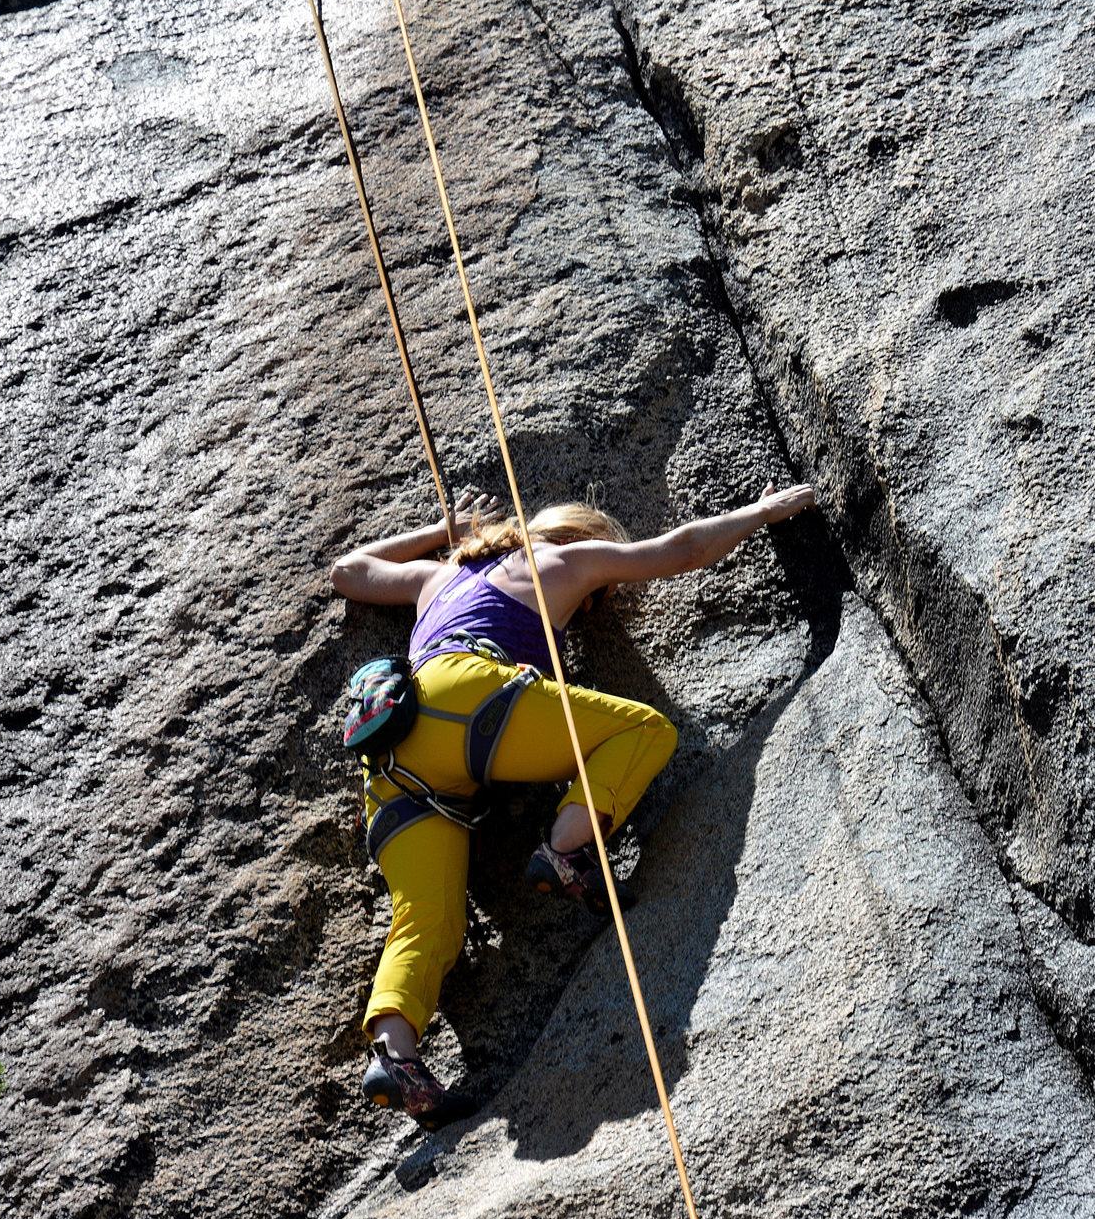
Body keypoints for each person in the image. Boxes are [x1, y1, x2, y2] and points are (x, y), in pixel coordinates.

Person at [330, 482, 818, 1128]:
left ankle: (397, 1055)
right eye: (600, 598)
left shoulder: (438, 576)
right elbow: (680, 550)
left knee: (426, 919)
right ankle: (565, 849)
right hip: (468, 699)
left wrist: (440, 527)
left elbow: (347, 571)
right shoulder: (561, 561)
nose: (590, 608)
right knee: (643, 729)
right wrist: (756, 512)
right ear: (581, 540)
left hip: (395, 751)